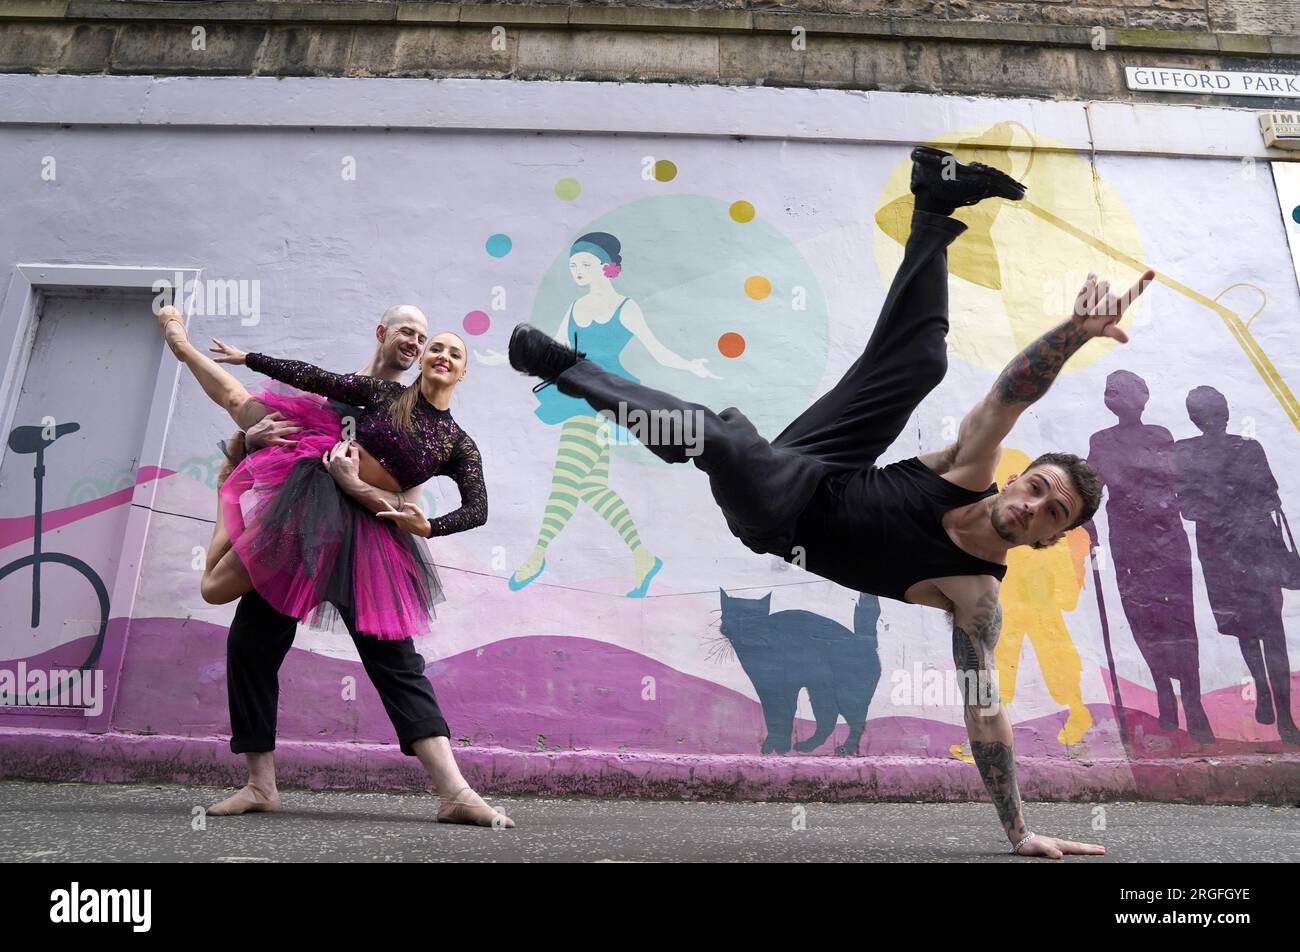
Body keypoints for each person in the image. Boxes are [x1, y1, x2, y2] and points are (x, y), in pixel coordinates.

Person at [508, 146, 1156, 857]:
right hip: (823, 459)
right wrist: (1072, 333)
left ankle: (566, 368)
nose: (1034, 506)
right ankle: (935, 203)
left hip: (780, 514)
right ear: (1015, 479)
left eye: (1052, 514)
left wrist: (1020, 831)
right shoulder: (971, 466)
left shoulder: (974, 596)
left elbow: (985, 711)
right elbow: (1012, 389)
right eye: (1037, 487)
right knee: (921, 361)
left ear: (1043, 541)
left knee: (721, 441)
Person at [159, 304, 509, 825]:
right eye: (433, 345)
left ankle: (454, 791)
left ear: (463, 371)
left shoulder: (459, 442)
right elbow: (310, 376)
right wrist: (248, 357)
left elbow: (478, 508)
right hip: (311, 510)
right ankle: (260, 784)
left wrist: (429, 527)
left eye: (452, 352)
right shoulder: (386, 394)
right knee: (252, 641)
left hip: (371, 538)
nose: (438, 352)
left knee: (395, 660)